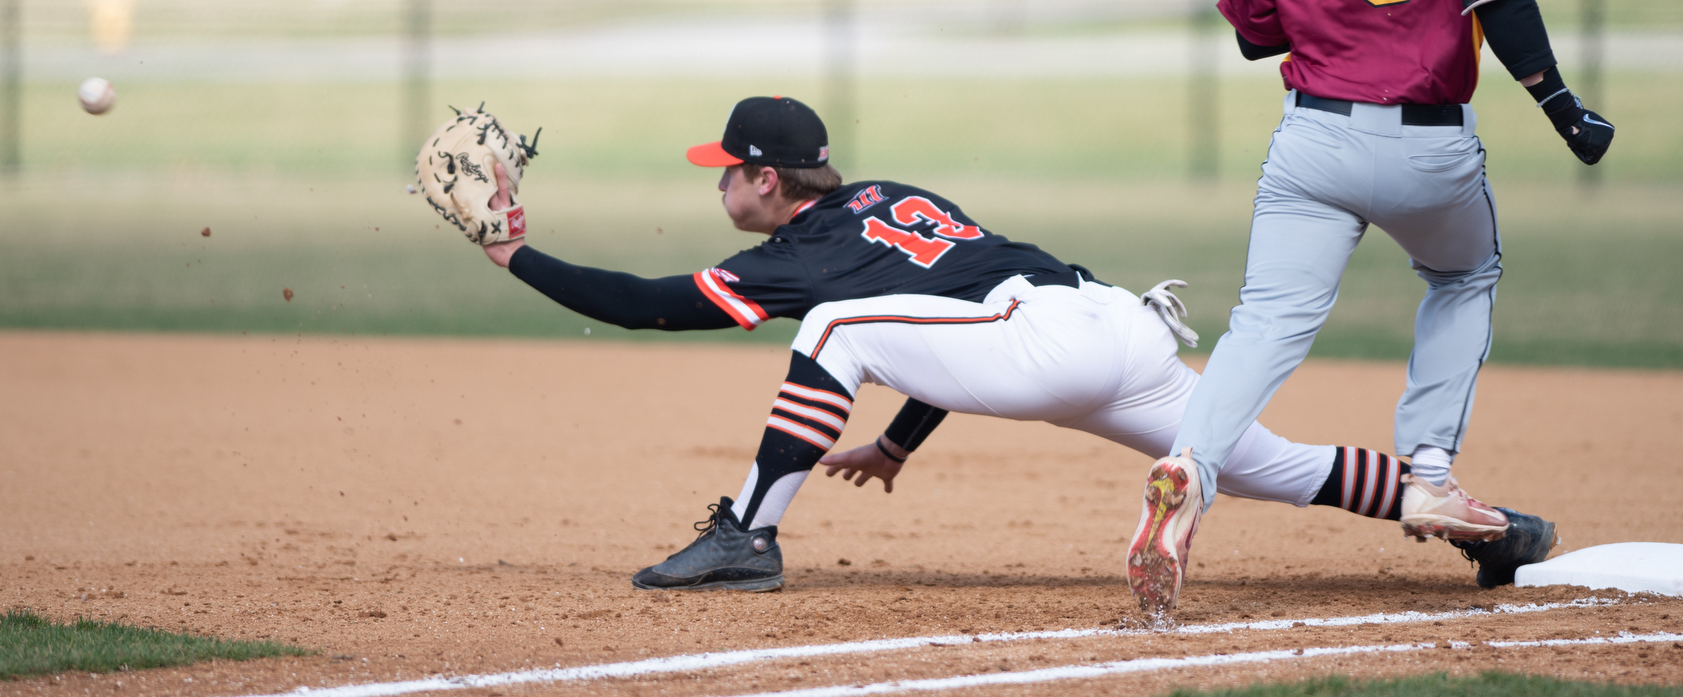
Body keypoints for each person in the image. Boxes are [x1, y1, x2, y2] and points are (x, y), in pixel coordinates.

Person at [476, 95, 1527, 594]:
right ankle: (1476, 519)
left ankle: (747, 535)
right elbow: (954, 316)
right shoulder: (892, 197)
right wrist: (894, 448)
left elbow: (642, 304)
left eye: (726, 170)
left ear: (766, 180)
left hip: (1043, 340)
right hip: (1108, 326)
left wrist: (510, 253)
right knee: (1266, 465)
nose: (717, 184)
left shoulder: (792, 260)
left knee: (840, 328)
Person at [1125, 0, 1594, 614]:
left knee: (1265, 321)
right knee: (1465, 275)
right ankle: (1427, 472)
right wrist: (1560, 103)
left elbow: (1253, 32)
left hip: (1314, 141)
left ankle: (1188, 467)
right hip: (1428, 142)